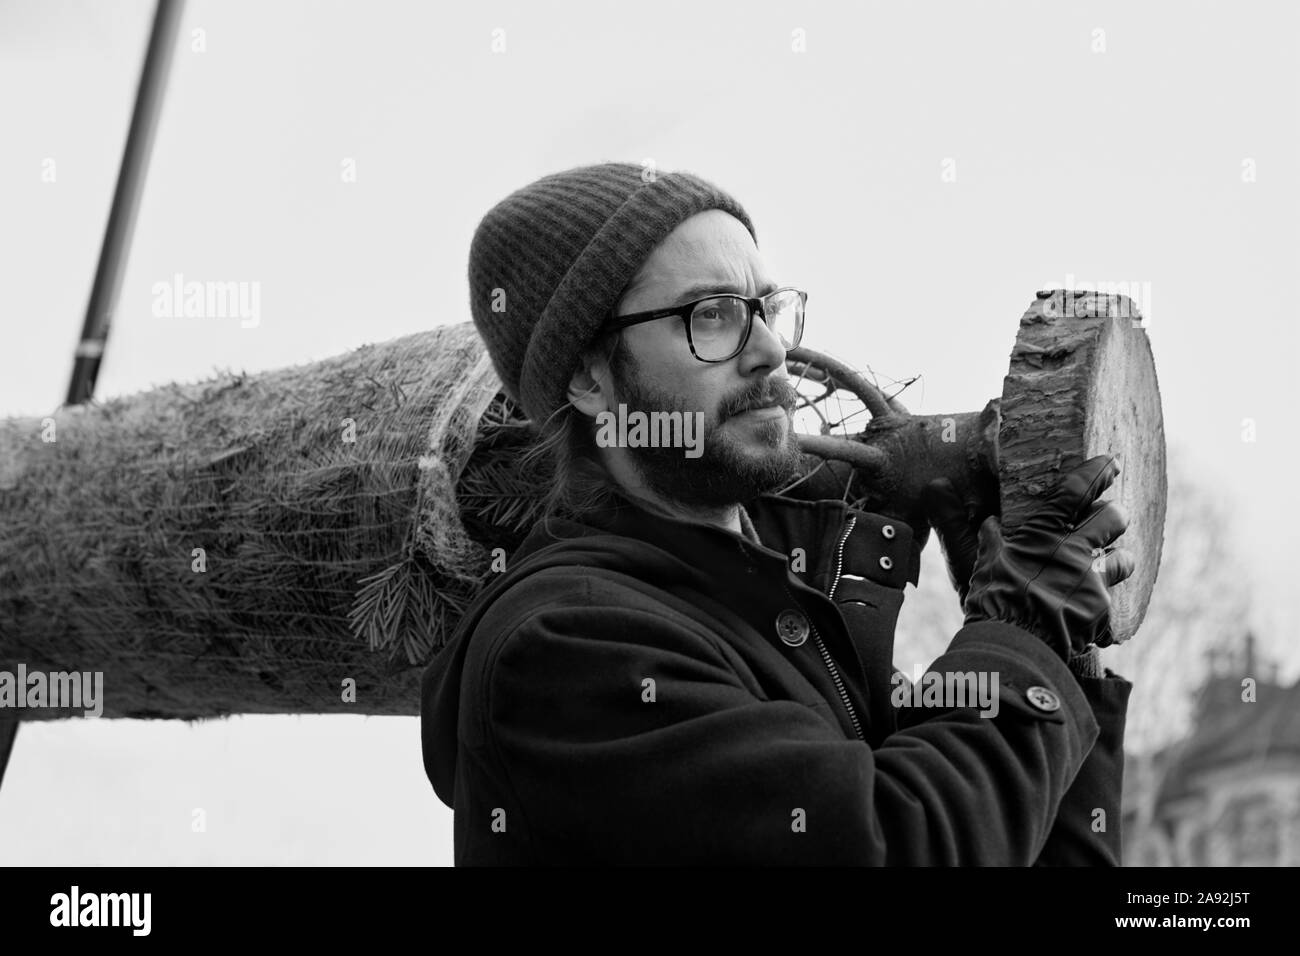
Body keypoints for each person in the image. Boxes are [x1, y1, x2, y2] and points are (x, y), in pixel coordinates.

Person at [420, 162, 1134, 865]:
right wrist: (1020, 634)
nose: (769, 351)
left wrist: (1064, 656)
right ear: (587, 377)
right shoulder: (563, 649)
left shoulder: (793, 612)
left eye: (766, 309)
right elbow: (887, 845)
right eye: (711, 315)